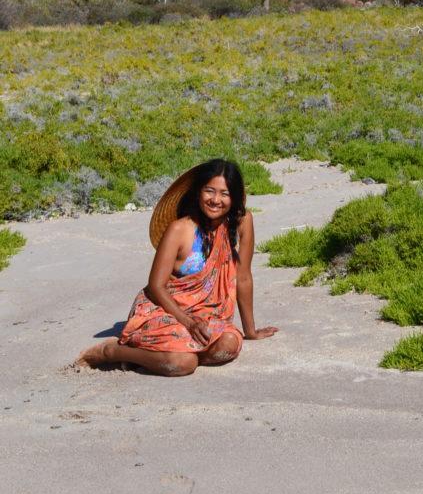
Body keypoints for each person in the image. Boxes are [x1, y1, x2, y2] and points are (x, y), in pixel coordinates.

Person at [76, 158, 277, 375]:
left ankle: (157, 356)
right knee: (183, 364)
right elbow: (156, 286)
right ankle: (113, 352)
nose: (216, 200)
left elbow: (244, 277)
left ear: (234, 197)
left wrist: (250, 331)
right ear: (198, 192)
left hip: (207, 315)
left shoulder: (242, 221)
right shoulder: (179, 229)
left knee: (229, 345)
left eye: (225, 193)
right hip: (166, 310)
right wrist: (189, 324)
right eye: (209, 191)